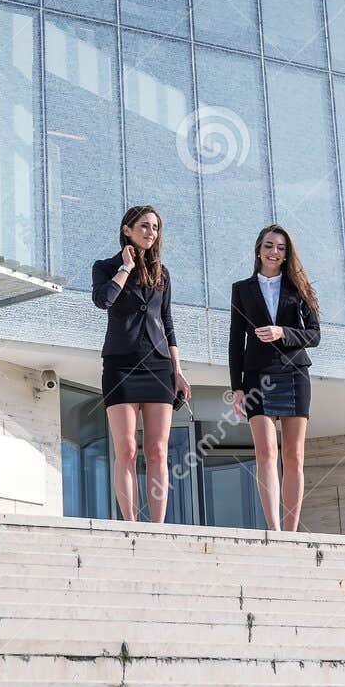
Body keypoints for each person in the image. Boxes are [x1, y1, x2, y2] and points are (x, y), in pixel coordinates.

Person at [91, 205, 191, 523]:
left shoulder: (163, 274)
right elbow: (103, 300)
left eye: (156, 227)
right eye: (144, 226)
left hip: (159, 366)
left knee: (158, 450)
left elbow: (167, 321)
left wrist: (178, 370)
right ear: (127, 230)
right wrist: (125, 268)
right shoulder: (106, 267)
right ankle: (131, 525)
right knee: (127, 450)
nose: (151, 232)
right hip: (120, 366)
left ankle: (158, 527)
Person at [226, 225, 320, 532]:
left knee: (293, 456)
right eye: (268, 246)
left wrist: (283, 332)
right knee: (265, 452)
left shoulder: (299, 288)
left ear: (286, 253)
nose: (274, 252)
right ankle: (274, 529)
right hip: (256, 376)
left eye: (280, 247)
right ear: (258, 250)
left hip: (294, 375)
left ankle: (291, 531)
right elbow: (234, 340)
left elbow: (314, 335)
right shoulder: (241, 289)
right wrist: (237, 387)